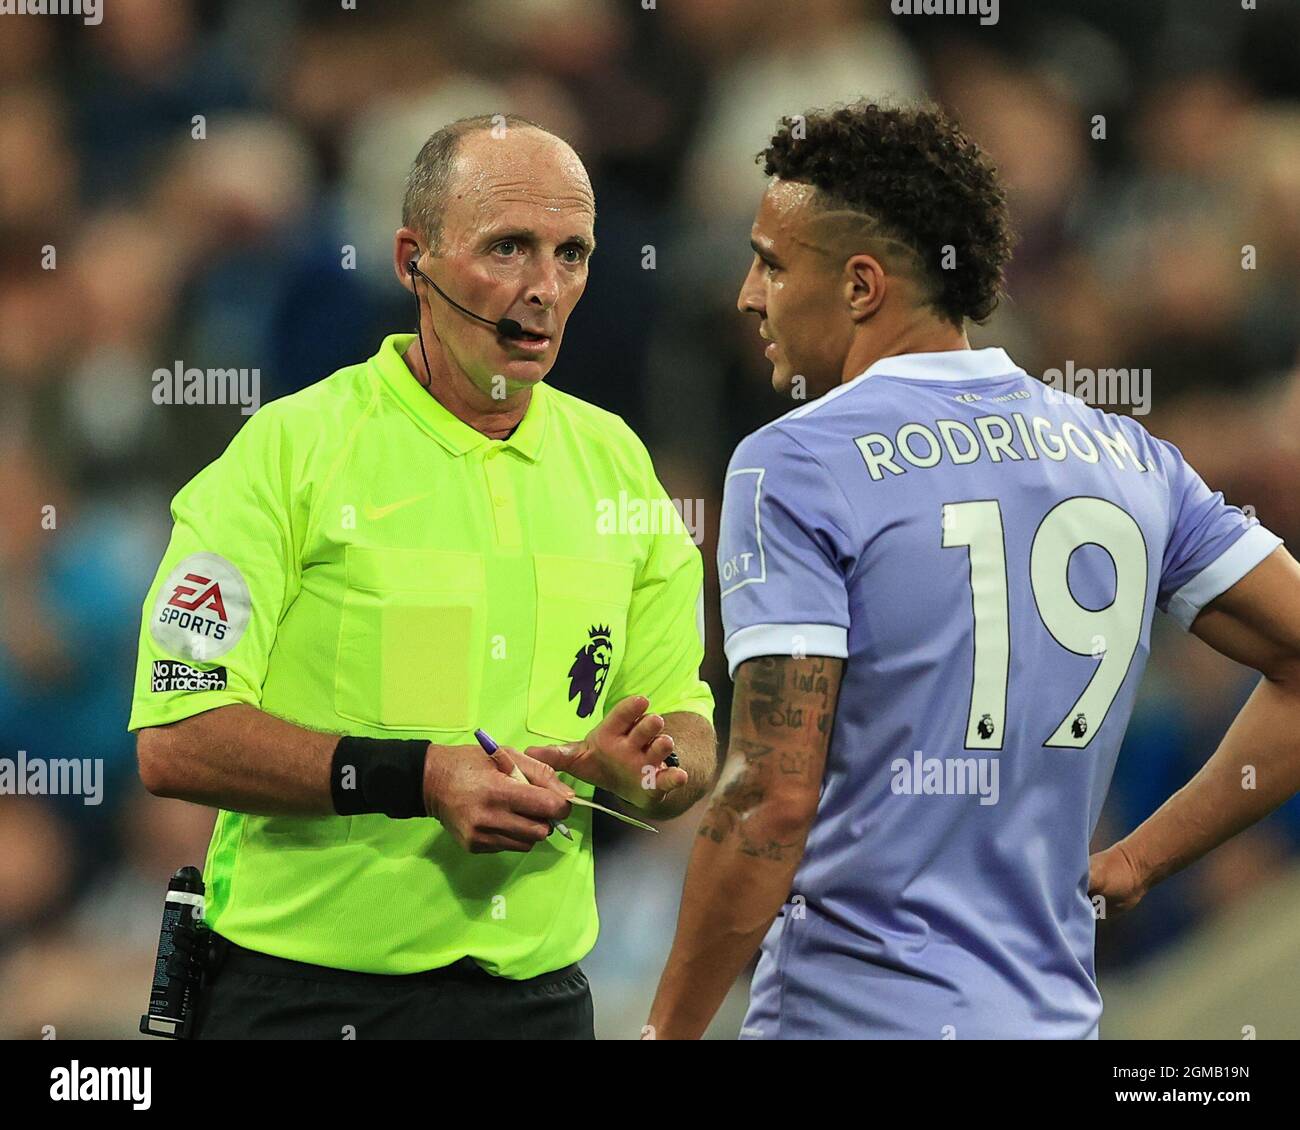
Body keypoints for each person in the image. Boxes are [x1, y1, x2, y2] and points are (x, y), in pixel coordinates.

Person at [646, 100, 1300, 1039]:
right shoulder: (1129, 457)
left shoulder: (793, 461)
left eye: (773, 264)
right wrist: (1139, 860)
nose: (750, 296)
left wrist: (665, 1031)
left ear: (861, 285)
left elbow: (769, 798)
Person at [128, 114, 716, 1040]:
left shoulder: (618, 469)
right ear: (415, 261)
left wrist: (653, 770)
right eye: (508, 248)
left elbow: (686, 723)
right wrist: (421, 778)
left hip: (539, 1007)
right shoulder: (288, 453)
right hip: (303, 1000)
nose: (544, 288)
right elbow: (178, 738)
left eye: (571, 254)